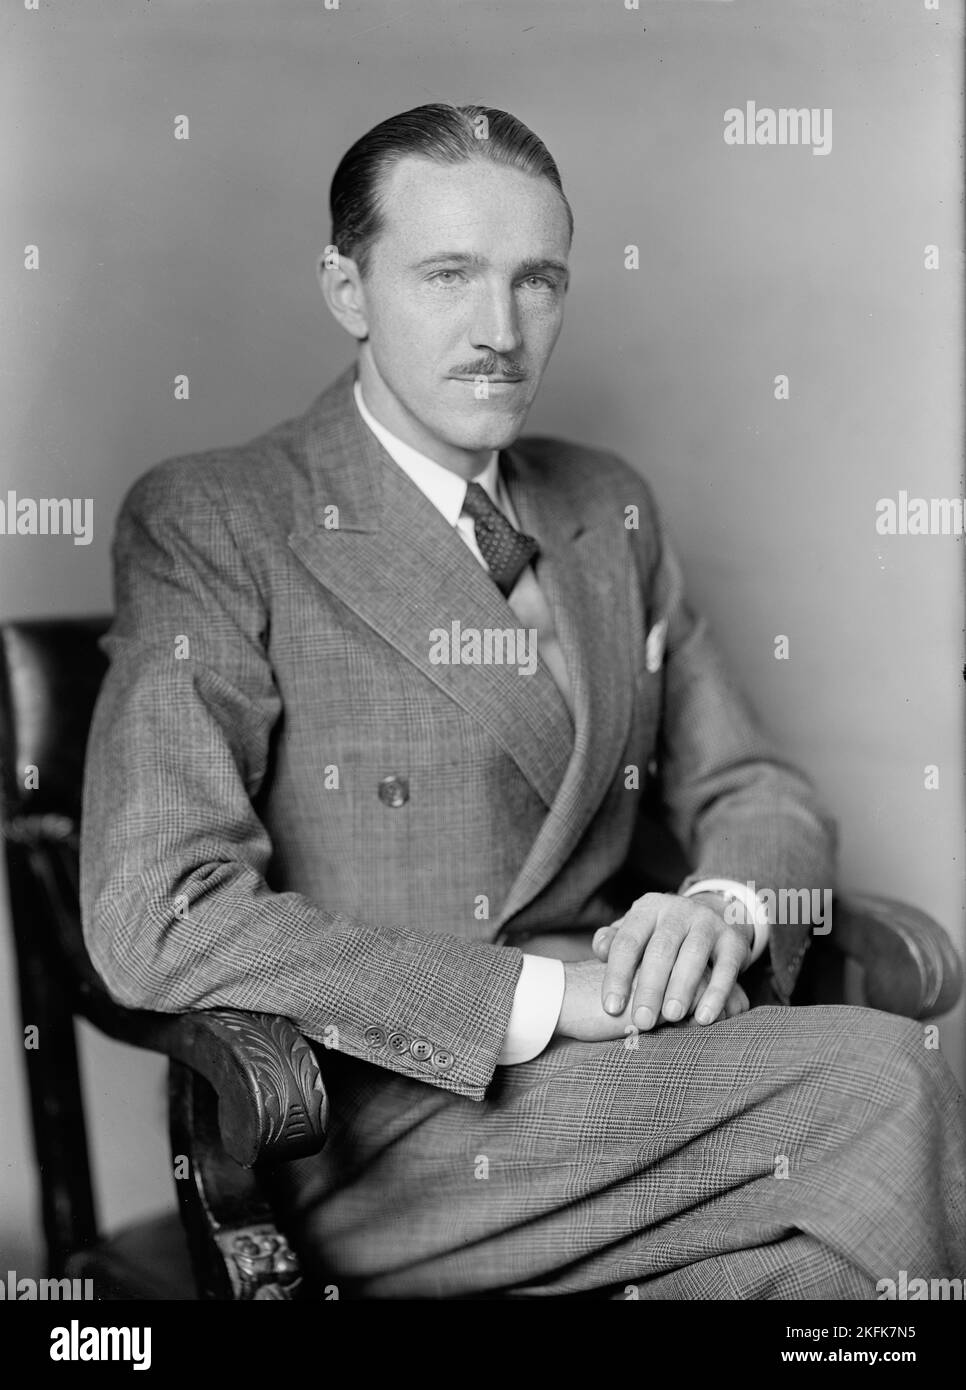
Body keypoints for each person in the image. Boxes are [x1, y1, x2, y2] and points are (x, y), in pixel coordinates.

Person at [80, 103, 965, 1299]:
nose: (499, 331)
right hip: (383, 1116)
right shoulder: (221, 518)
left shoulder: (609, 508)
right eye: (448, 275)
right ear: (347, 287)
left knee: (823, 1282)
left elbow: (751, 785)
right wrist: (545, 996)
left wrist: (720, 910)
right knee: (885, 1075)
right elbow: (162, 912)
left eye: (536, 281)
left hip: (652, 1079)